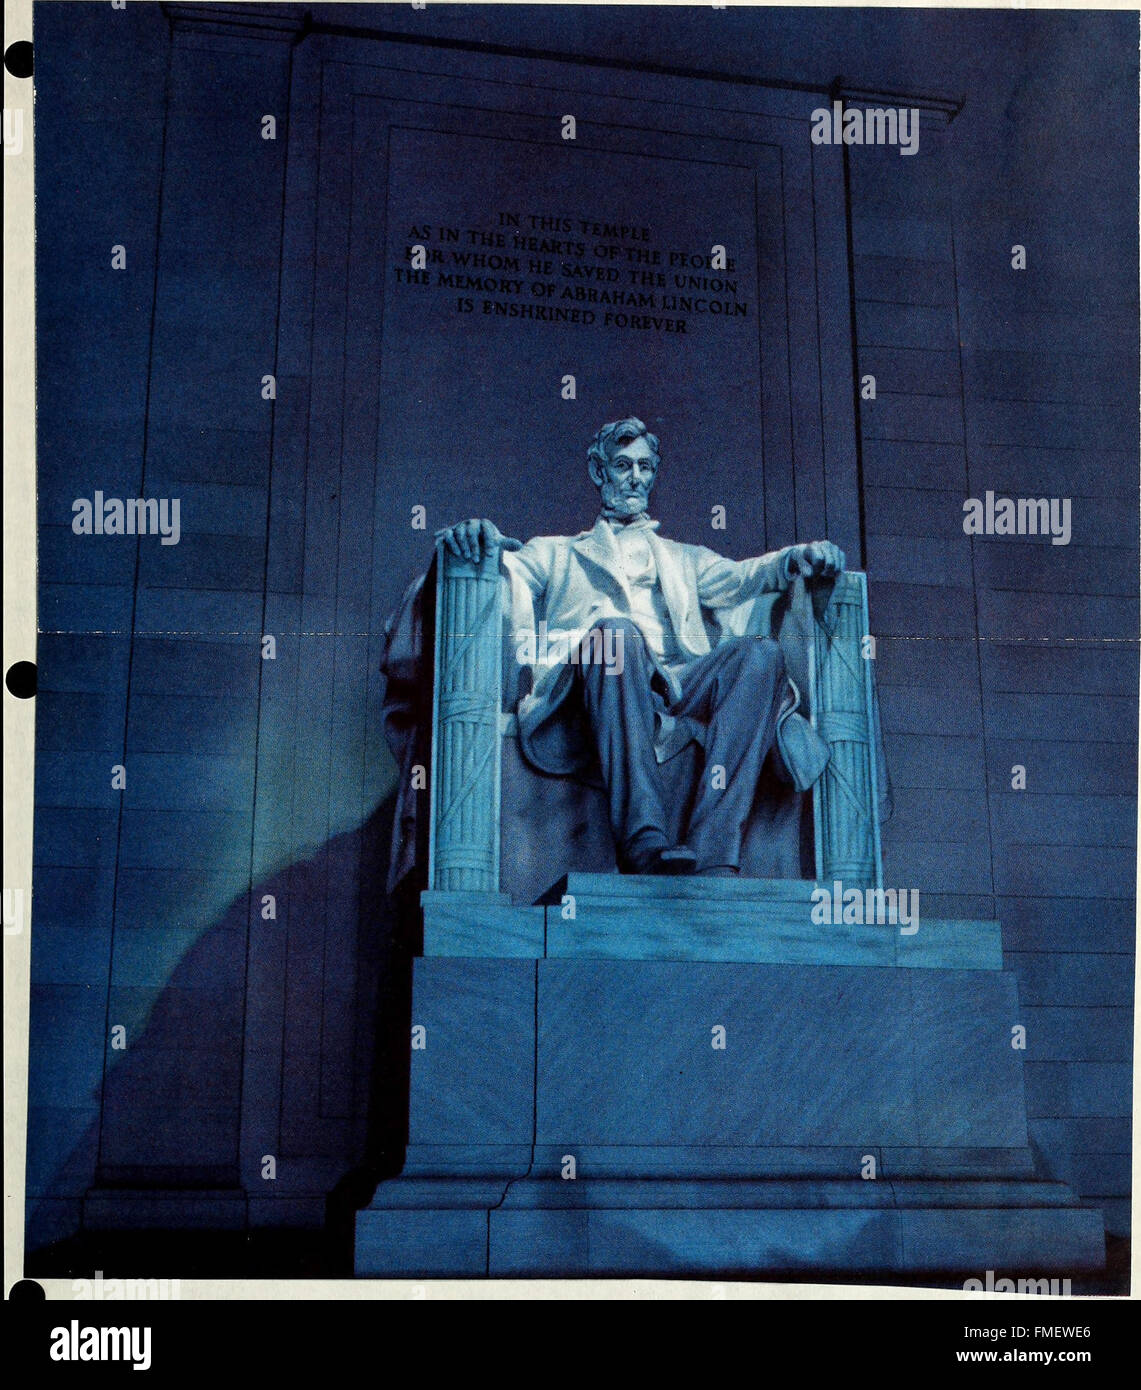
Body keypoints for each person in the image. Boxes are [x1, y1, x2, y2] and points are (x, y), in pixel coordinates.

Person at [437, 417, 843, 876]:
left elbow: (744, 577)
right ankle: (643, 839)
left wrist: (794, 558)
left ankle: (714, 850)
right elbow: (507, 573)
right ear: (598, 473)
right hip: (598, 676)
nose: (636, 477)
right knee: (616, 633)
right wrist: (476, 544)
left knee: (761, 656)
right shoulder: (556, 551)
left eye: (645, 467)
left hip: (675, 681)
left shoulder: (684, 558)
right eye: (623, 465)